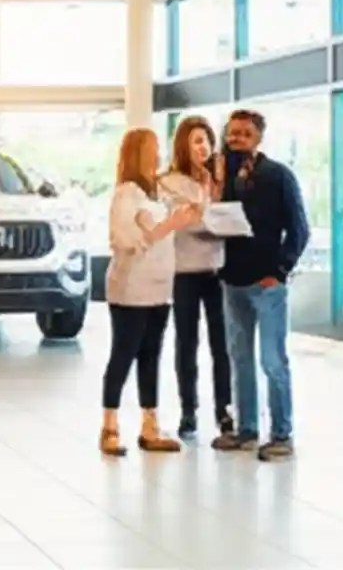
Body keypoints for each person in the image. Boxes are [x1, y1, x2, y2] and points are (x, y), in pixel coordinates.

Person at [211, 109, 310, 461]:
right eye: (232, 132)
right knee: (239, 358)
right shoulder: (218, 177)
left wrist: (280, 270)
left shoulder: (278, 176)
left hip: (267, 283)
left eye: (244, 133)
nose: (236, 138)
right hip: (231, 280)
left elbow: (299, 229)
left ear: (258, 137)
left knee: (272, 359)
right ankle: (247, 429)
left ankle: (282, 433)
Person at [100, 127, 200, 457]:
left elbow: (159, 227)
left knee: (151, 355)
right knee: (124, 353)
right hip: (131, 288)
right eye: (152, 149)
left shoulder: (156, 193)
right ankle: (110, 425)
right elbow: (125, 239)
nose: (157, 155)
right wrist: (168, 226)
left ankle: (149, 424)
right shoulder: (127, 194)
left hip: (159, 286)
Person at [159, 116, 233, 441]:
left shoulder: (218, 180)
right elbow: (183, 224)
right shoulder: (168, 182)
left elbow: (226, 219)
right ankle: (189, 410)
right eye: (196, 141)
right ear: (183, 146)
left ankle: (224, 410)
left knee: (222, 344)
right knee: (186, 342)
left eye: (206, 140)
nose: (203, 147)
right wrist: (206, 216)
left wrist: (212, 197)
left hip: (218, 271)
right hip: (184, 271)